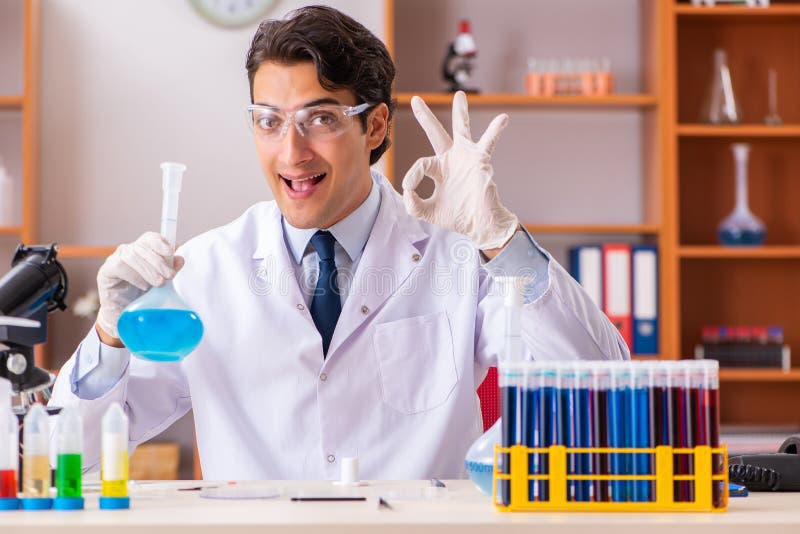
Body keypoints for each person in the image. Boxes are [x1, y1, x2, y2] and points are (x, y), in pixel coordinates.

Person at [49, 5, 628, 480]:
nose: (291, 152)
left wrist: (503, 243)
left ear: (374, 126)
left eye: (320, 118)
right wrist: (108, 333)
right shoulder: (204, 270)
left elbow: (604, 388)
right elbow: (68, 455)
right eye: (268, 120)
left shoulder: (456, 256)